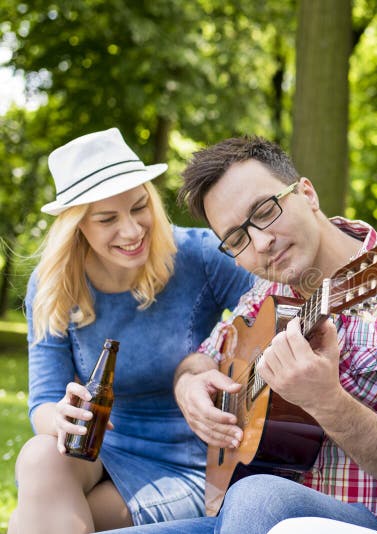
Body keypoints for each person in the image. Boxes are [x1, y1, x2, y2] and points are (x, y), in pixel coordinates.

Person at [105, 136, 377, 534]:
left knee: (259, 496)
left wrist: (326, 401)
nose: (261, 243)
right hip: (260, 520)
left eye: (264, 211)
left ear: (306, 193)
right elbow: (202, 356)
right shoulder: (269, 295)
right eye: (238, 239)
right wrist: (189, 385)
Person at [12, 128, 254, 533]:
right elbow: (43, 405)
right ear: (77, 227)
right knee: (39, 457)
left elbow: (276, 302)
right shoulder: (54, 283)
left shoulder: (197, 255)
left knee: (28, 523)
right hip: (101, 453)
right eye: (107, 219)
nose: (131, 231)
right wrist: (64, 417)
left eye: (139, 207)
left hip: (194, 463)